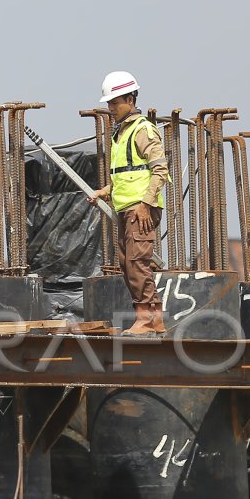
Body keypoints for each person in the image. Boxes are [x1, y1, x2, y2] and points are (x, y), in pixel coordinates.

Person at [87, 71, 170, 335]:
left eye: (115, 103)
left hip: (140, 210)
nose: (111, 108)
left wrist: (146, 204)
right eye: (109, 103)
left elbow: (160, 170)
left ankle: (145, 318)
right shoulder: (121, 133)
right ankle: (154, 319)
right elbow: (128, 174)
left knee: (136, 263)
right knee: (127, 263)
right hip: (126, 208)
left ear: (131, 100)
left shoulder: (142, 130)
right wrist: (105, 191)